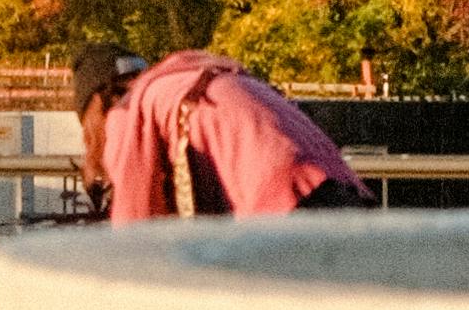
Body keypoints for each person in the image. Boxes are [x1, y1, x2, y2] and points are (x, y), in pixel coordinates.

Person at [74, 42, 362, 221]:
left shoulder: (127, 111)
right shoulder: (195, 79)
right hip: (341, 190)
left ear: (97, 105)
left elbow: (136, 233)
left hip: (282, 206)